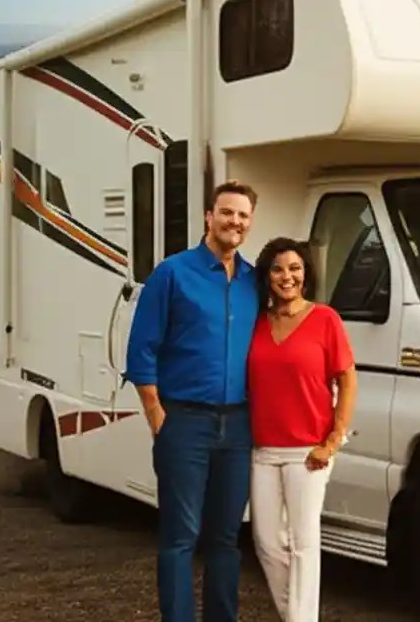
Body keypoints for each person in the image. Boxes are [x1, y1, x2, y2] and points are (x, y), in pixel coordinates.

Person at [124, 180, 261, 622]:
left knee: (225, 539)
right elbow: (140, 348)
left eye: (243, 215)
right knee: (180, 537)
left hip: (238, 427)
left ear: (250, 222)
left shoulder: (253, 280)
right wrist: (157, 415)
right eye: (227, 212)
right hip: (183, 422)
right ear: (209, 216)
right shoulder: (172, 273)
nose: (234, 222)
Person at [246, 236, 358, 622]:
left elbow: (347, 379)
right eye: (278, 269)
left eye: (294, 268)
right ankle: (296, 617)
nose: (286, 276)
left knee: (303, 544)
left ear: (306, 274)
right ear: (267, 276)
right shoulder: (257, 323)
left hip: (309, 451)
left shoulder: (325, 319)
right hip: (262, 450)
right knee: (266, 544)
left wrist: (333, 440)